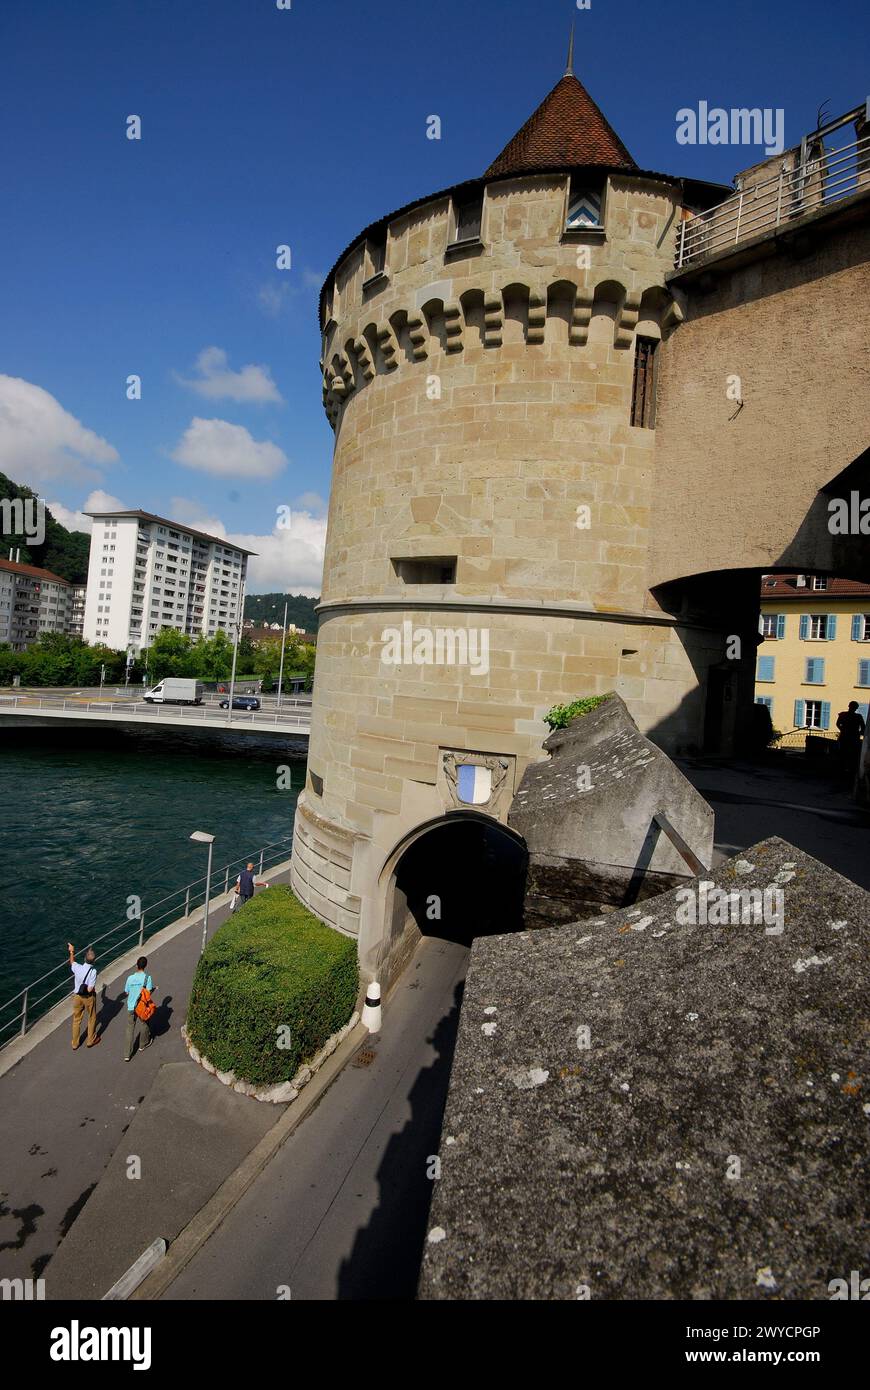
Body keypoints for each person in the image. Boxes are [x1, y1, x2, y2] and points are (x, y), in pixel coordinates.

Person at [123, 956, 156, 1061]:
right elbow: (148, 993)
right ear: (145, 966)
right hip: (141, 1007)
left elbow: (126, 992)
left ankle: (127, 1054)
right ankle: (142, 1044)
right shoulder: (147, 978)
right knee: (144, 1024)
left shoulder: (130, 978)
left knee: (129, 1029)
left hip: (131, 1007)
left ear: (136, 965)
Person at [68, 942, 100, 1050]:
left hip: (77, 997)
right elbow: (90, 988)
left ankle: (75, 1043)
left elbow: (72, 961)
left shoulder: (78, 967)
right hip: (88, 997)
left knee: (77, 1019)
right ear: (94, 961)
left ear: (84, 959)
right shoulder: (93, 971)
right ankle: (90, 1040)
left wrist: (72, 951)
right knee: (91, 1017)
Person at [836, 701, 865, 773]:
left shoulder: (843, 714)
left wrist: (842, 730)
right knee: (852, 755)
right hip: (853, 738)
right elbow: (863, 727)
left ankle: (842, 769)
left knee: (843, 754)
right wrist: (859, 733)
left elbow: (837, 724)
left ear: (849, 706)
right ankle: (850, 770)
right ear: (856, 708)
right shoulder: (858, 716)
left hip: (845, 737)